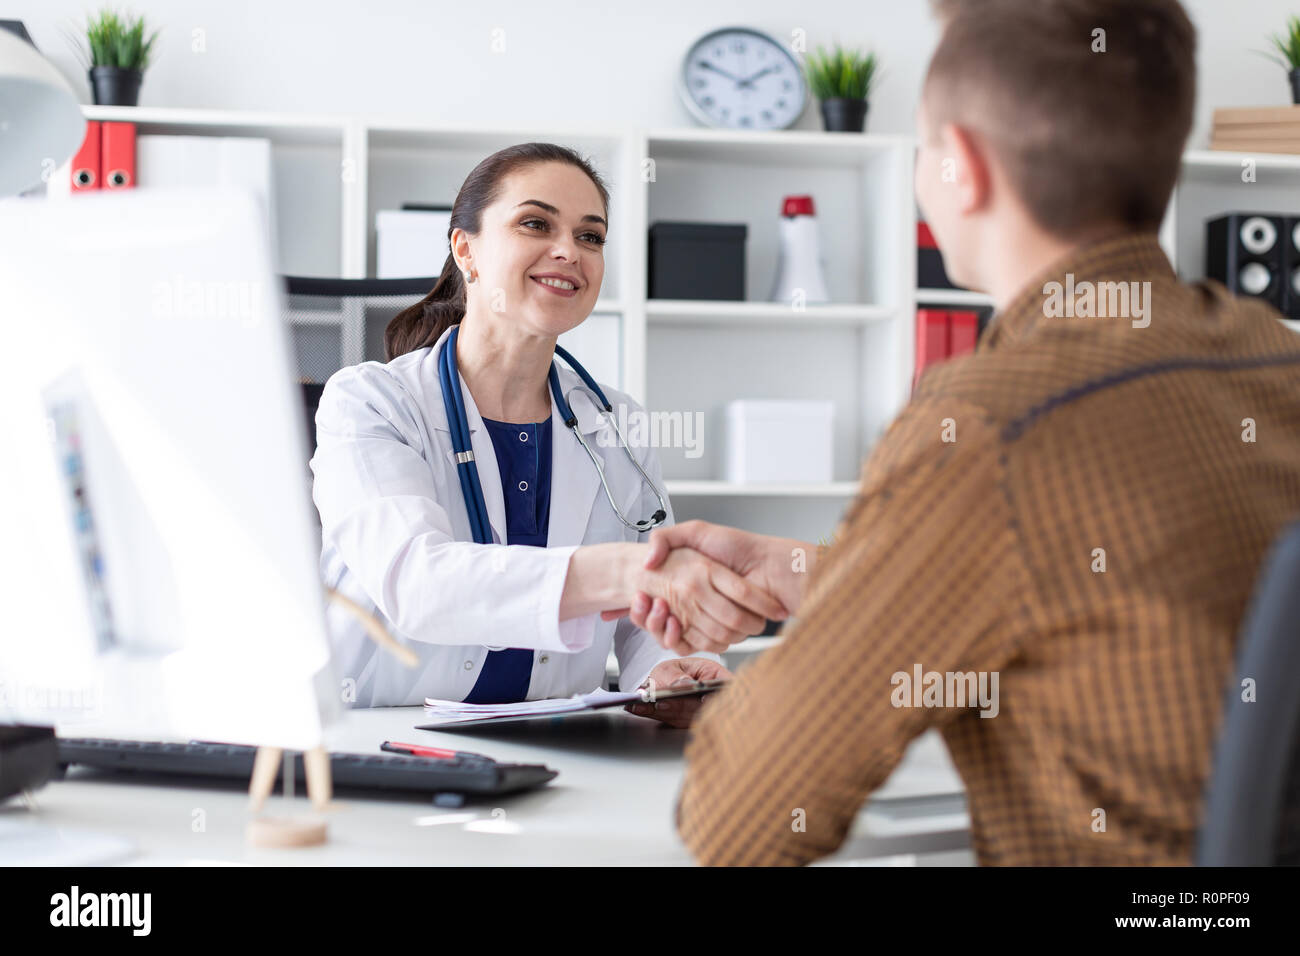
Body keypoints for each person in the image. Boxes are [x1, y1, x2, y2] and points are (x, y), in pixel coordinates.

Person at [620, 0, 1300, 862]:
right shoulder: (1273, 358)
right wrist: (820, 576)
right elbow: (1134, 604)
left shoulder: (987, 425)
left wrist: (825, 645)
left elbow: (740, 820)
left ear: (965, 169)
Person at [310, 143, 785, 719]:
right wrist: (626, 573)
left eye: (591, 236)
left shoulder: (617, 424)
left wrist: (660, 671)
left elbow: (644, 623)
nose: (568, 251)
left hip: (558, 743)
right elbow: (417, 583)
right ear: (467, 249)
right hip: (381, 737)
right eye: (535, 223)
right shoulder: (371, 402)